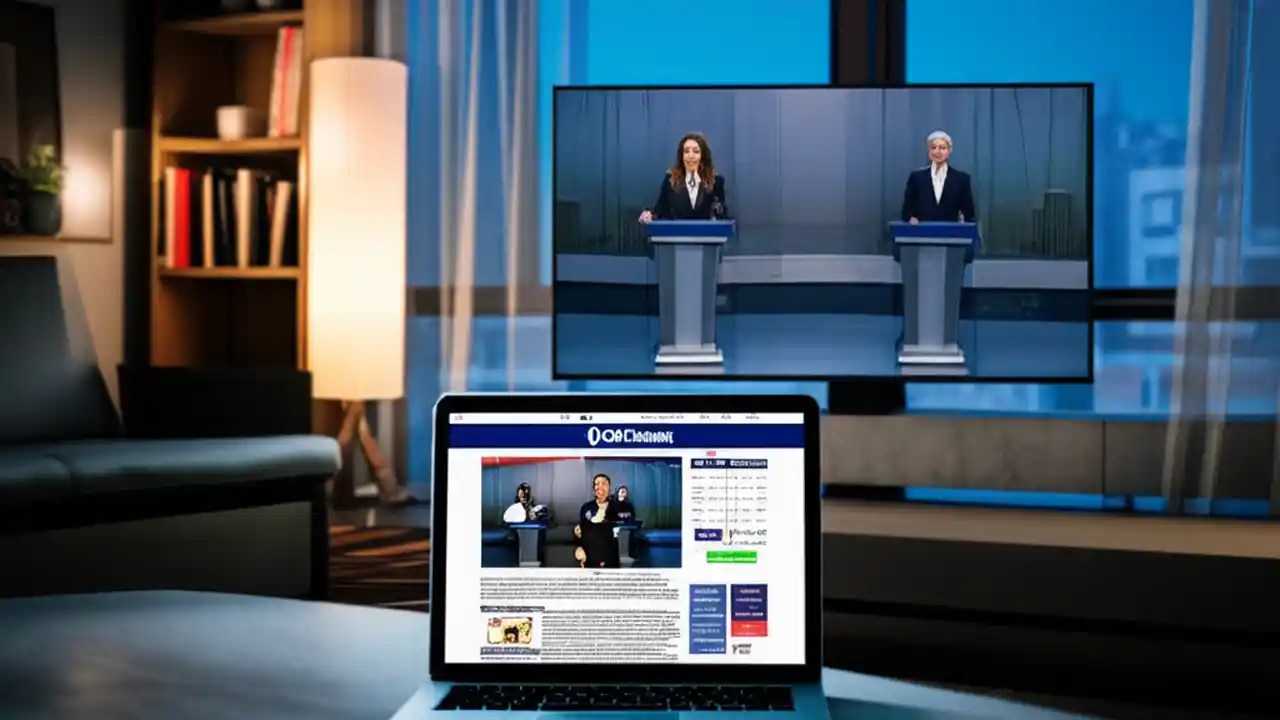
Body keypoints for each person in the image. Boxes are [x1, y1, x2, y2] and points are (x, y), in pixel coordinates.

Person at [638, 132, 728, 223]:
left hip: (706, 235)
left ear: (703, 156)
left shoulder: (716, 181)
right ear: (681, 156)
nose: (691, 156)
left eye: (696, 151)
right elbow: (660, 210)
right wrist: (649, 215)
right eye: (686, 151)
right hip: (676, 235)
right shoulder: (670, 180)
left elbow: (721, 214)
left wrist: (719, 212)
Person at [900, 130, 977, 225]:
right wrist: (911, 219)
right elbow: (906, 211)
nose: (938, 152)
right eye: (934, 147)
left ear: (950, 150)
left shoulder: (961, 179)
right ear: (929, 150)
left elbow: (969, 213)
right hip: (921, 233)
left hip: (951, 235)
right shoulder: (916, 178)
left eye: (943, 148)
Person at [573, 473, 622, 568]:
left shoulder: (616, 506)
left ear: (609, 487)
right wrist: (578, 548)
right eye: (597, 484)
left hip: (611, 558)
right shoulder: (586, 507)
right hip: (589, 559)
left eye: (604, 483)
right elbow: (581, 532)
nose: (600, 487)